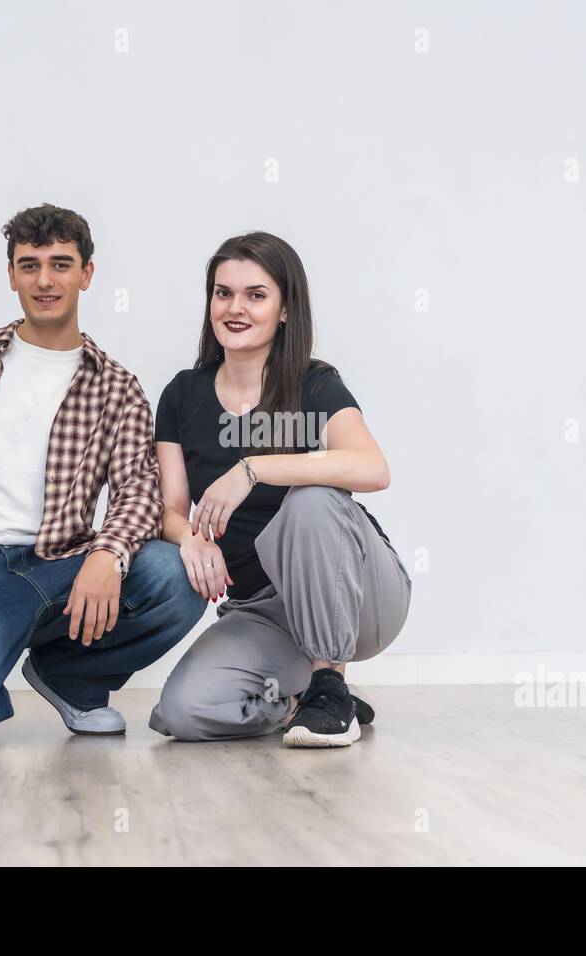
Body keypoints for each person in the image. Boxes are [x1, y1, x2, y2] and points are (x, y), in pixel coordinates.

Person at [0, 204, 206, 749]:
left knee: (174, 575)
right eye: (29, 265)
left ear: (87, 274)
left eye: (61, 264)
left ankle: (69, 675)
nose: (45, 280)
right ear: (11, 275)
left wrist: (107, 555)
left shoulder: (116, 387)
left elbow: (139, 492)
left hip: (62, 565)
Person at [149, 232, 412, 747]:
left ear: (285, 309)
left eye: (255, 295)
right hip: (266, 609)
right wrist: (190, 539)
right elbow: (169, 509)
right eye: (223, 293)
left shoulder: (313, 384)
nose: (235, 308)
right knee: (183, 712)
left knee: (312, 498)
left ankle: (330, 683)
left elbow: (373, 468)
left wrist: (254, 468)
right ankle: (302, 699)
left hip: (359, 595)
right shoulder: (183, 394)